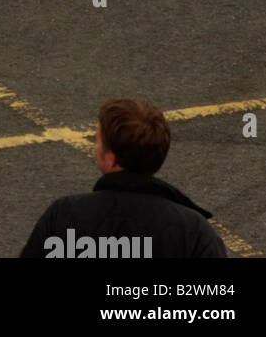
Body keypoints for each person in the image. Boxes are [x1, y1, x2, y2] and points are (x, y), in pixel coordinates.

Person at [19, 98, 227, 258]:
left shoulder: (64, 214)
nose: (94, 146)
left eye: (97, 140)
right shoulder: (192, 230)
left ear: (111, 160)